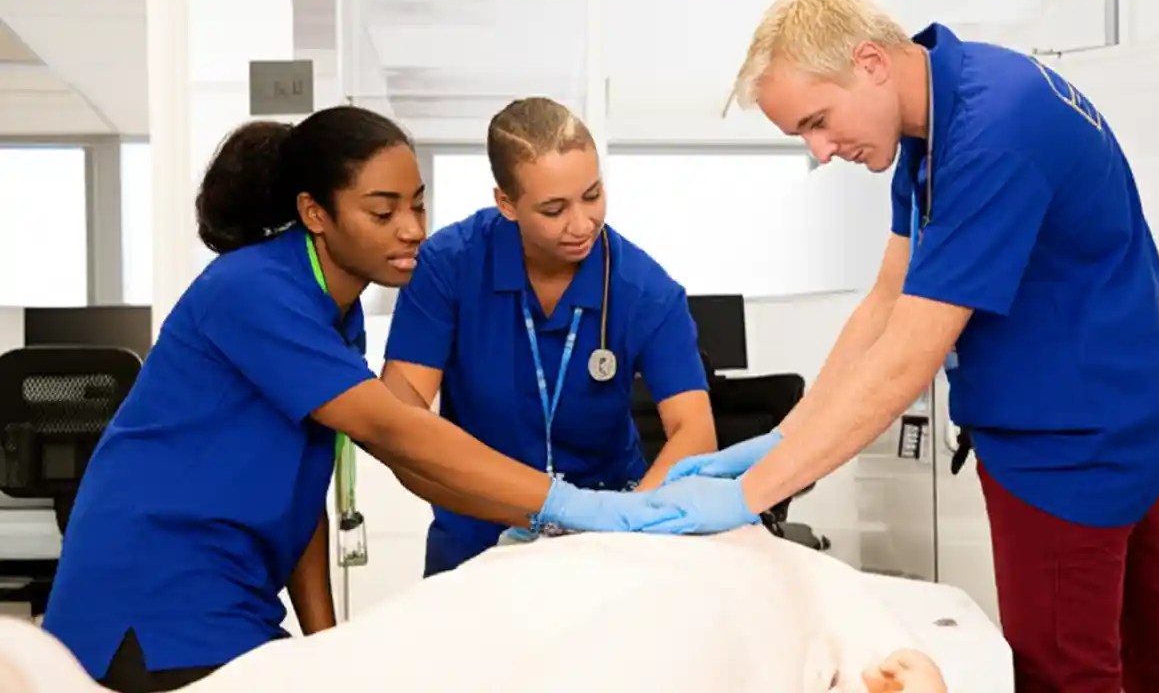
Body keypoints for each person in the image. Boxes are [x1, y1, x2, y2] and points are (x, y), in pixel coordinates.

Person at [645, 0, 1159, 693]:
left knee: (1064, 670)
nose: (821, 152)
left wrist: (748, 496)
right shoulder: (935, 123)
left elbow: (904, 361)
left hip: (1070, 444)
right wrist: (783, 439)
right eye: (803, 135)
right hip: (1112, 410)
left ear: (870, 63)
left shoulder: (992, 132)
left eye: (818, 121)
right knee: (1154, 647)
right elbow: (887, 302)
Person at [39, 106, 686, 693]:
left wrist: (330, 645)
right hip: (153, 598)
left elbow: (297, 498)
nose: (410, 231)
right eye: (383, 213)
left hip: (227, 600)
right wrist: (571, 506)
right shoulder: (253, 291)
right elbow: (393, 429)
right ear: (317, 214)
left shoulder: (333, 314)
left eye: (417, 206)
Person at [4, 526, 976, 693]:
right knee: (372, 663)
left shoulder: (768, 554)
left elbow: (893, 650)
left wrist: (904, 663)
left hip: (687, 616)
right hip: (525, 587)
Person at [382, 96, 716, 575]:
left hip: (606, 541)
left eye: (593, 195)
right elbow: (400, 409)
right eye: (554, 209)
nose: (581, 224)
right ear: (506, 204)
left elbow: (694, 430)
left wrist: (626, 522)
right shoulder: (449, 266)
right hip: (477, 538)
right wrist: (492, 493)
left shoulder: (645, 290)